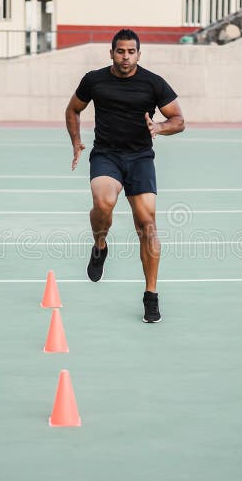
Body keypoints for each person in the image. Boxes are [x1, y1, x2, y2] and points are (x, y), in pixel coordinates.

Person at [65, 28, 185, 323]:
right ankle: (100, 246)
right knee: (104, 203)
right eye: (121, 51)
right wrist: (76, 143)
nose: (126, 57)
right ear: (111, 53)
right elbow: (73, 109)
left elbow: (179, 120)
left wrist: (159, 127)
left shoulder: (153, 83)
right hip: (107, 155)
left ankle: (151, 296)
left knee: (148, 226)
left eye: (131, 52)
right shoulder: (94, 80)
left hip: (140, 158)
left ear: (139, 54)